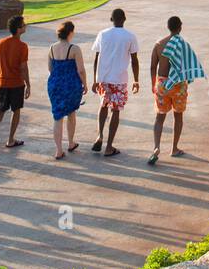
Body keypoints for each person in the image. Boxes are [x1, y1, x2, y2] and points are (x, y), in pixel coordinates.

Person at [147, 15, 205, 165]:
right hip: (178, 85)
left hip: (161, 84)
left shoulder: (159, 44)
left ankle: (156, 147)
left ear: (168, 27)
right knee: (178, 116)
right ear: (180, 27)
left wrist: (154, 84)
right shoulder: (183, 44)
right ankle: (174, 148)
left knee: (159, 117)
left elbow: (153, 66)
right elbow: (188, 64)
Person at [91, 9, 140, 157]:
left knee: (103, 105)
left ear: (111, 19)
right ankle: (109, 147)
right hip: (119, 79)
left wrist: (95, 80)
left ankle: (99, 135)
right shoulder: (130, 36)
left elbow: (96, 58)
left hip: (104, 78)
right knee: (116, 110)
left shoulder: (103, 34)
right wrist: (136, 80)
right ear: (124, 19)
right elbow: (134, 60)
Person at [0, 14, 30, 151]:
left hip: (2, 82)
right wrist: (28, 84)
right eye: (23, 25)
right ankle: (10, 140)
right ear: (18, 29)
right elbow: (23, 67)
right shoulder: (22, 46)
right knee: (16, 111)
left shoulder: (1, 43)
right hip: (16, 83)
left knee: (1, 109)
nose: (25, 26)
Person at [47, 21, 87, 159]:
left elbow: (50, 69)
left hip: (55, 85)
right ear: (70, 33)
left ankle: (58, 150)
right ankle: (70, 143)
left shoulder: (51, 48)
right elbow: (81, 70)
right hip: (71, 85)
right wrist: (85, 84)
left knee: (57, 117)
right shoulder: (74, 49)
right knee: (71, 113)